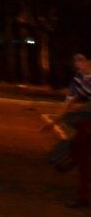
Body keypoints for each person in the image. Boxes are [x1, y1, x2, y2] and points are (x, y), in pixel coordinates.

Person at [44, 52, 91, 208]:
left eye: (81, 60)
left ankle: (71, 157)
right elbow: (68, 103)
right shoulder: (79, 80)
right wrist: (54, 121)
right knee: (85, 155)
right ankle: (84, 197)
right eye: (75, 60)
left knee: (82, 140)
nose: (77, 64)